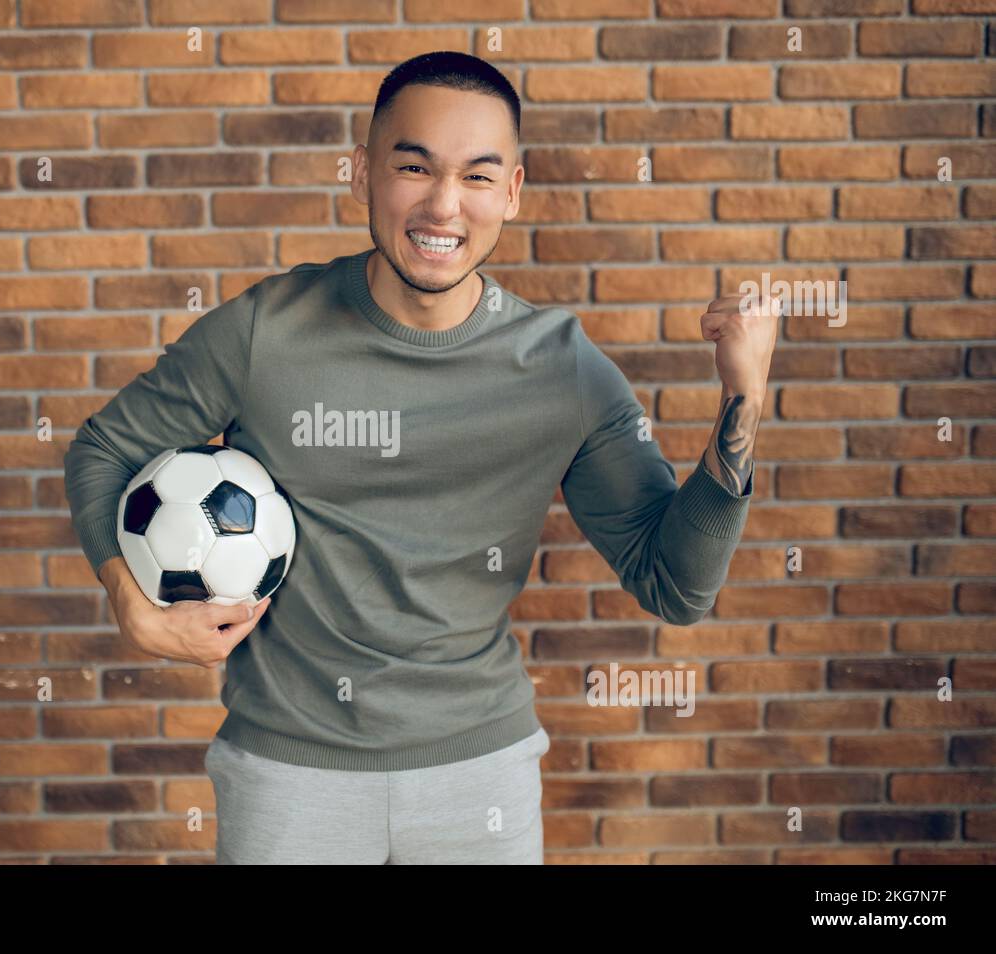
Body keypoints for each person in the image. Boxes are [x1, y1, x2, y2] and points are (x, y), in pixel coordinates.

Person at [63, 51, 776, 864]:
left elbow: (676, 584)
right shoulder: (266, 331)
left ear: (512, 191)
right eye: (414, 166)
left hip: (478, 778)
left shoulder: (564, 369)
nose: (443, 204)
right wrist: (129, 599)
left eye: (477, 177)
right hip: (289, 773)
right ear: (364, 173)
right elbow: (104, 449)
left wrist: (742, 400)